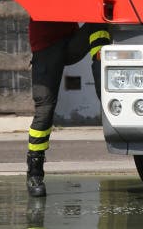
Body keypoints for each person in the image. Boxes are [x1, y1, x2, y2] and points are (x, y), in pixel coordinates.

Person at [26, 20, 111, 197]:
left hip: (71, 41)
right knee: (45, 109)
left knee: (98, 23)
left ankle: (103, 71)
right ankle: (34, 173)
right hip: (45, 47)